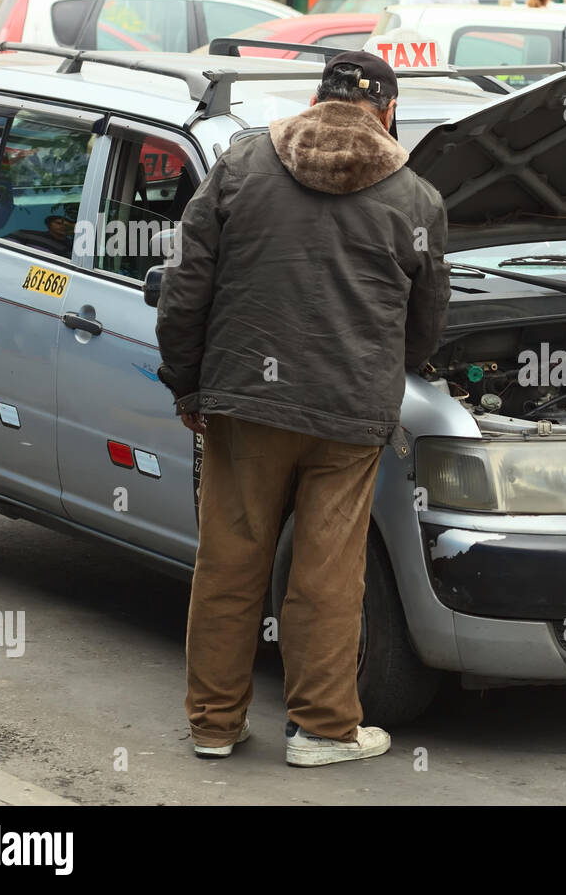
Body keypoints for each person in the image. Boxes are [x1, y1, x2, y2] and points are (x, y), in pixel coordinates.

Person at [156, 51, 450, 768]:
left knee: (229, 562)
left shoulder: (242, 165)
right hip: (348, 412)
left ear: (315, 100)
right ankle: (321, 729)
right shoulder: (416, 199)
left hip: (245, 402)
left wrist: (186, 384)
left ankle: (214, 725)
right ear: (388, 113)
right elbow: (426, 324)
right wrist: (395, 369)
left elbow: (186, 288)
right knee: (328, 571)